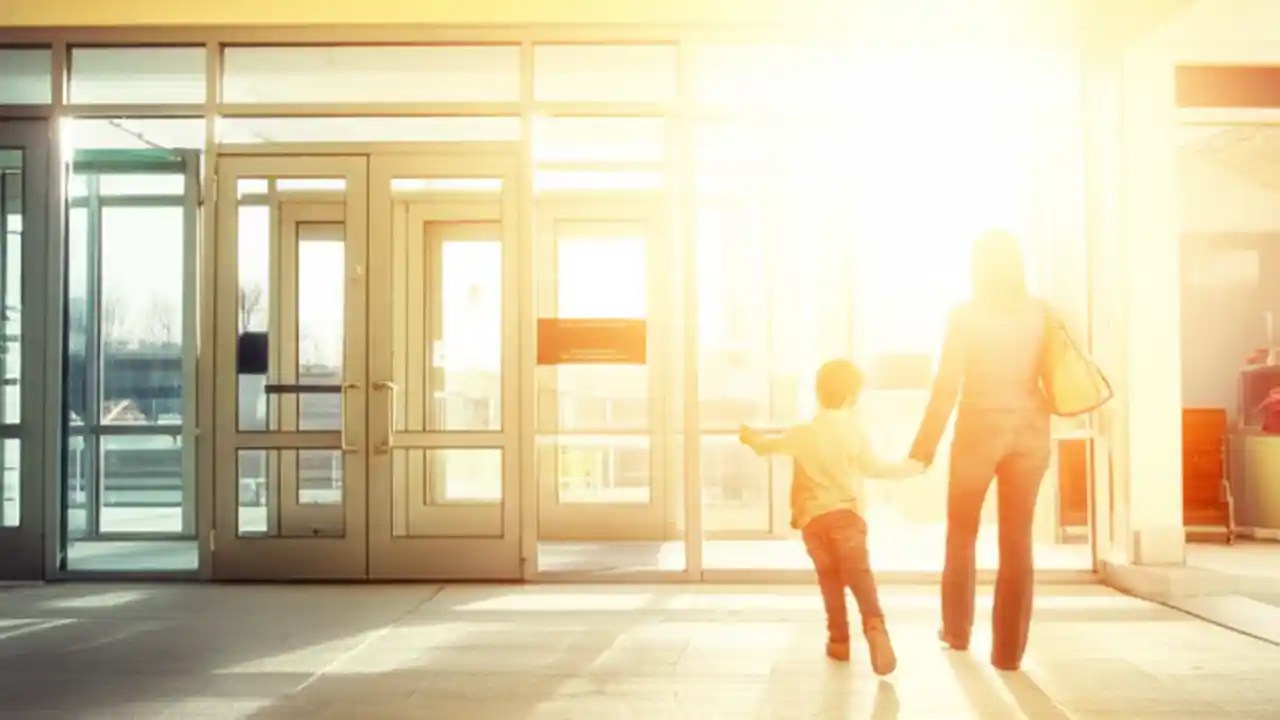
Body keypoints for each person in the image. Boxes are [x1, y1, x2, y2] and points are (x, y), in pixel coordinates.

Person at [909, 229, 1051, 672]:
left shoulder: (966, 316)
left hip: (978, 433)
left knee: (962, 532)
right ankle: (1008, 654)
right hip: (1030, 433)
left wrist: (924, 446)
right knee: (1017, 541)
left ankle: (956, 630)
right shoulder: (1042, 313)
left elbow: (947, 384)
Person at [740, 359, 924, 675]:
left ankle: (838, 641)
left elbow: (764, 447)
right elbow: (874, 468)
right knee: (859, 575)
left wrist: (749, 436)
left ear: (818, 391)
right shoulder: (854, 432)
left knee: (830, 581)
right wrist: (912, 468)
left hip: (813, 522)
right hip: (846, 518)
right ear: (853, 396)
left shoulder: (803, 432)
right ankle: (874, 624)